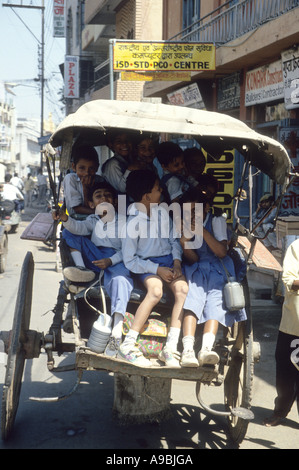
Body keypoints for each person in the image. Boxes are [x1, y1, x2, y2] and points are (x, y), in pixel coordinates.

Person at [53, 180, 133, 357]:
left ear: (114, 201)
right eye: (98, 196)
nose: (103, 198)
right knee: (69, 232)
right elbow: (78, 227)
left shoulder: (124, 222)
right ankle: (80, 268)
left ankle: (116, 333)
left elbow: (128, 250)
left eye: (107, 195)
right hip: (94, 258)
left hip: (116, 260)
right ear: (91, 204)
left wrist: (110, 261)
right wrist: (65, 218)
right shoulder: (92, 220)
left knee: (121, 281)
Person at [119, 169, 189, 367]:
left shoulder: (162, 212)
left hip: (169, 261)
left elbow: (173, 240)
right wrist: (157, 269)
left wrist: (176, 261)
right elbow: (130, 260)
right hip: (147, 265)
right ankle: (128, 344)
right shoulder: (132, 222)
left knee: (183, 290)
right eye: (158, 189)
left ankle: (170, 347)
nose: (162, 192)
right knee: (156, 292)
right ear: (147, 196)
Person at [179, 186, 246, 367]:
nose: (191, 215)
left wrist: (203, 232)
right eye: (188, 212)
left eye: (195, 211)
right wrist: (185, 244)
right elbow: (192, 258)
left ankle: (206, 349)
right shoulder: (184, 224)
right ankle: (187, 350)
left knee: (215, 303)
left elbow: (221, 252)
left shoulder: (216, 221)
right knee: (193, 301)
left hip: (218, 267)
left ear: (206, 208)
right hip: (197, 268)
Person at [263, 238, 299, 426]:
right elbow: (289, 281)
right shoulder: (296, 247)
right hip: (295, 323)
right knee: (286, 371)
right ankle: (280, 411)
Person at [63, 145, 103, 219]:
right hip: (77, 221)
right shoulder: (70, 179)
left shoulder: (100, 180)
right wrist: (85, 188)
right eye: (82, 168)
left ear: (97, 167)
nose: (86, 173)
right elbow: (77, 209)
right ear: (74, 167)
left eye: (91, 168)